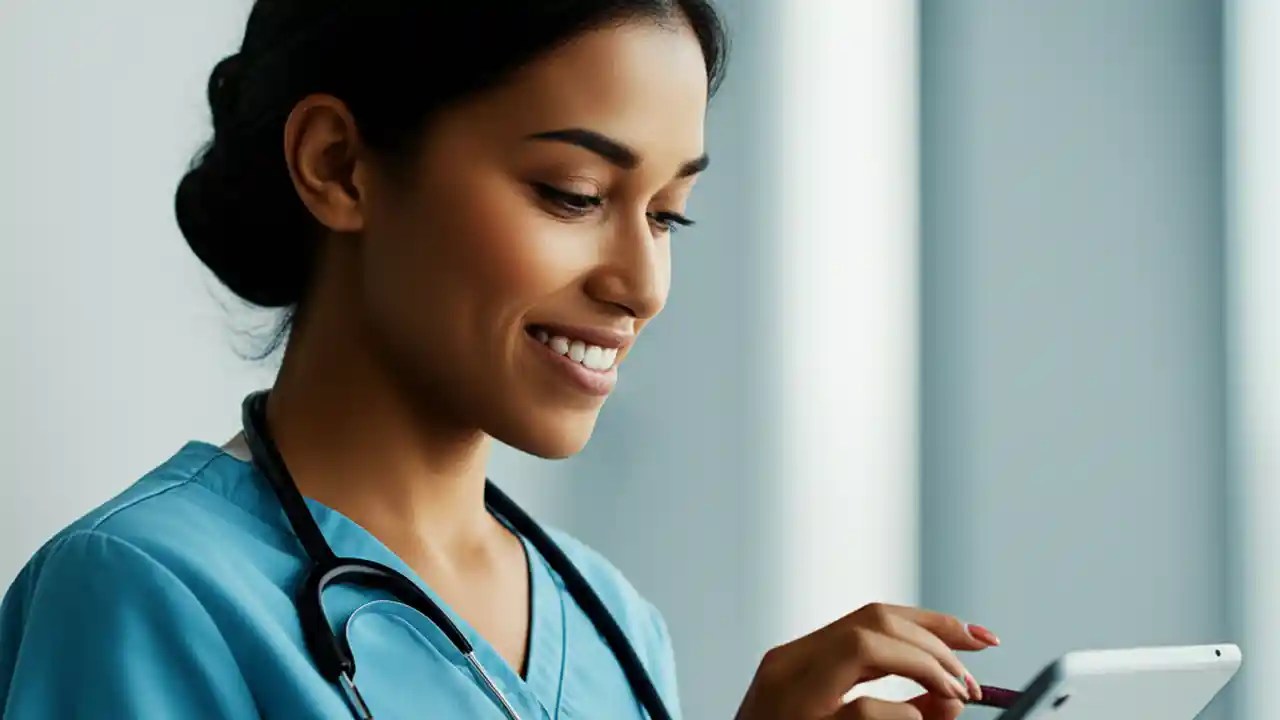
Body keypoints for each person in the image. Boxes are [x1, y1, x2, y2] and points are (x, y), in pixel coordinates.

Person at [0, 2, 1001, 718]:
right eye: (572, 193)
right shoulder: (145, 593)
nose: (642, 284)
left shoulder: (610, 620)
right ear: (338, 166)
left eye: (667, 214)